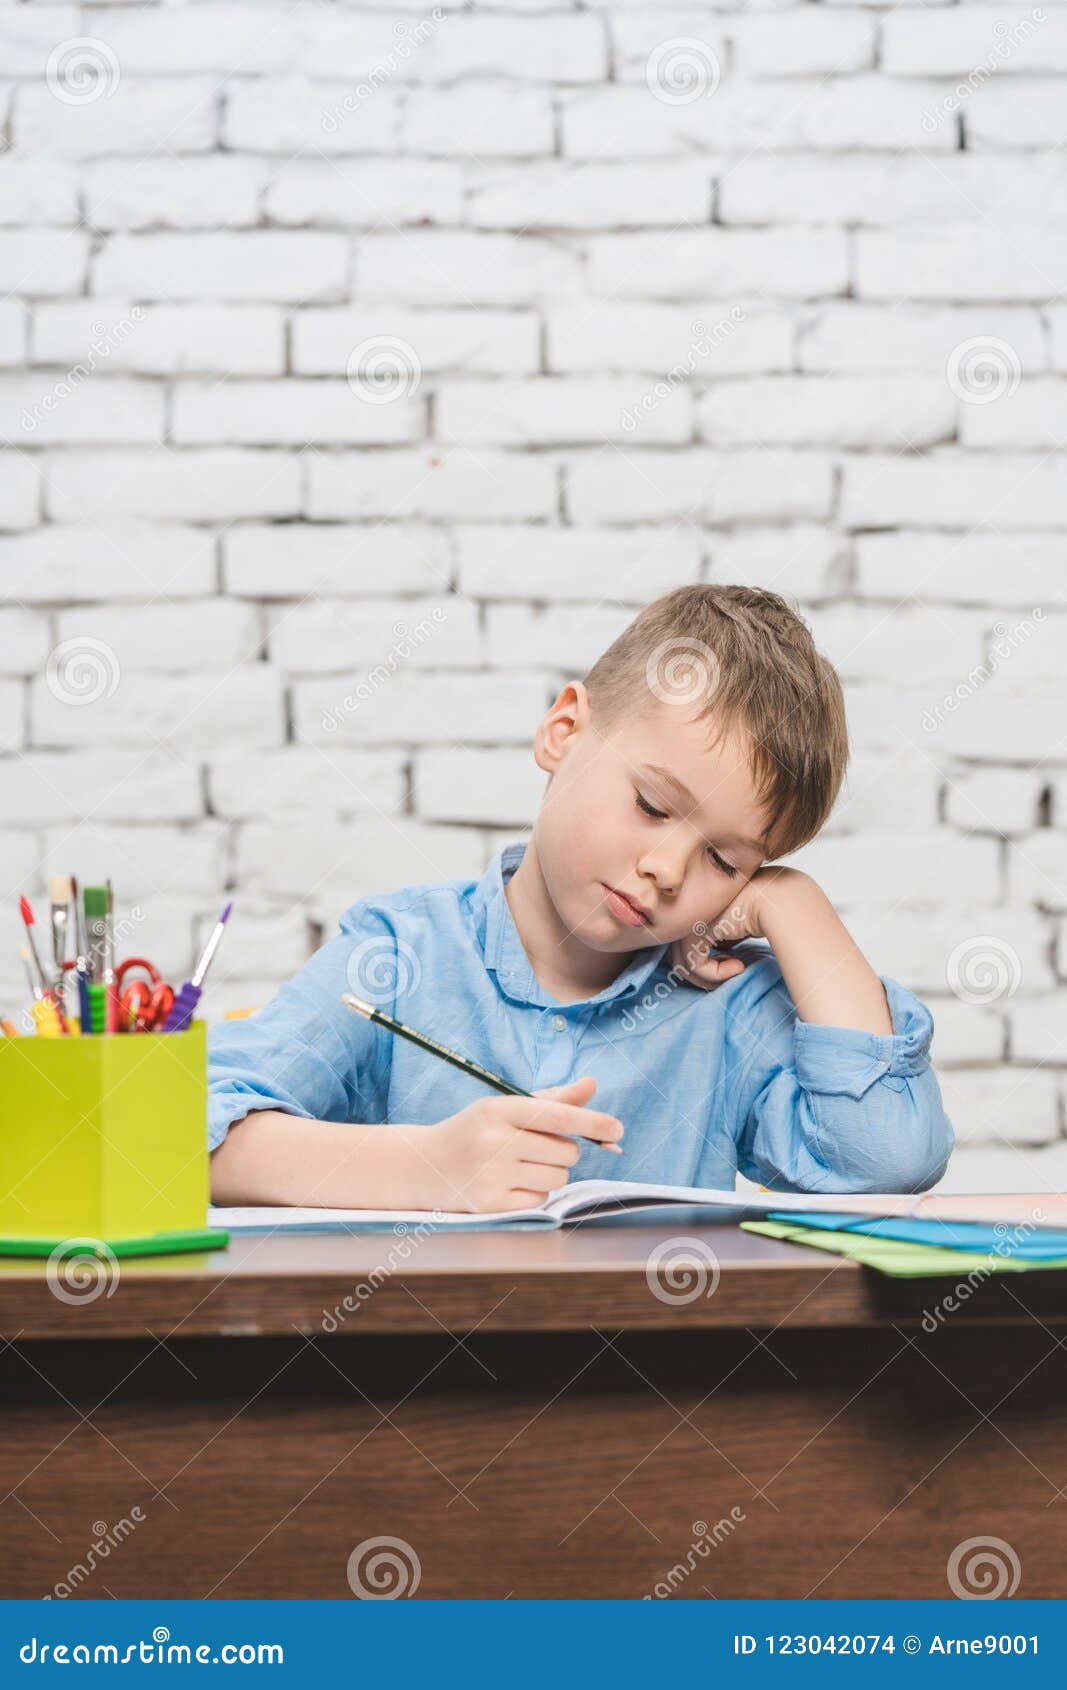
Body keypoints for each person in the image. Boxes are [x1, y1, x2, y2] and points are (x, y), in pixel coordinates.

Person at [207, 584, 953, 1212]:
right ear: (563, 732)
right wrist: (427, 1168)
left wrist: (793, 904)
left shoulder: (724, 1008)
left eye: (724, 861)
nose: (667, 869)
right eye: (652, 806)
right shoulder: (401, 954)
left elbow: (886, 1159)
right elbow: (181, 1131)